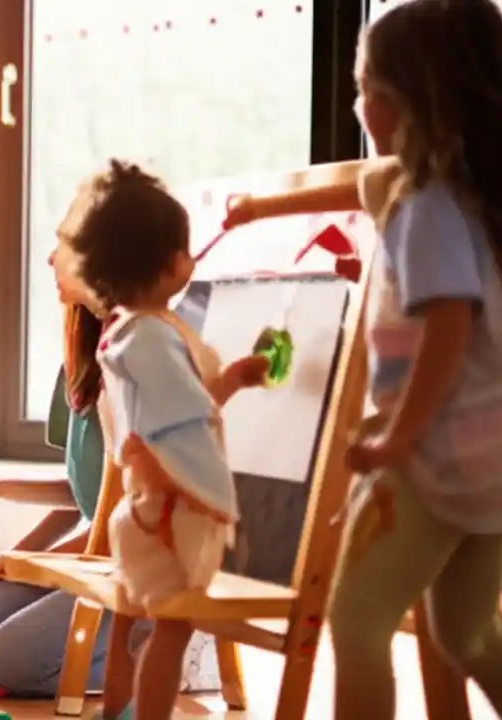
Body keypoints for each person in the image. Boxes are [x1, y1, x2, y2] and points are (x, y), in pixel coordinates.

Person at [238, 2, 502, 718]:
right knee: (468, 633)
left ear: (400, 102)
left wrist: (398, 439)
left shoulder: (426, 207)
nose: (357, 106)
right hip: (490, 469)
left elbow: (449, 323)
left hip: (433, 458)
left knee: (356, 623)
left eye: (362, 89)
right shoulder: (472, 203)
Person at [0, 191, 222, 700]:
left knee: (12, 659)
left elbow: (126, 521)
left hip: (145, 565)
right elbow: (89, 490)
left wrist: (17, 564)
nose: (49, 256)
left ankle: (186, 657)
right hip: (98, 550)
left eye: (63, 242)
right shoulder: (86, 355)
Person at [72, 160, 268, 720]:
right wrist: (228, 383)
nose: (192, 260)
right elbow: (182, 419)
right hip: (170, 513)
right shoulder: (154, 337)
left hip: (143, 511)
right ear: (166, 265)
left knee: (129, 619)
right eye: (185, 251)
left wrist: (229, 379)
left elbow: (177, 408)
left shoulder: (130, 332)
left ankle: (116, 713)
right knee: (172, 631)